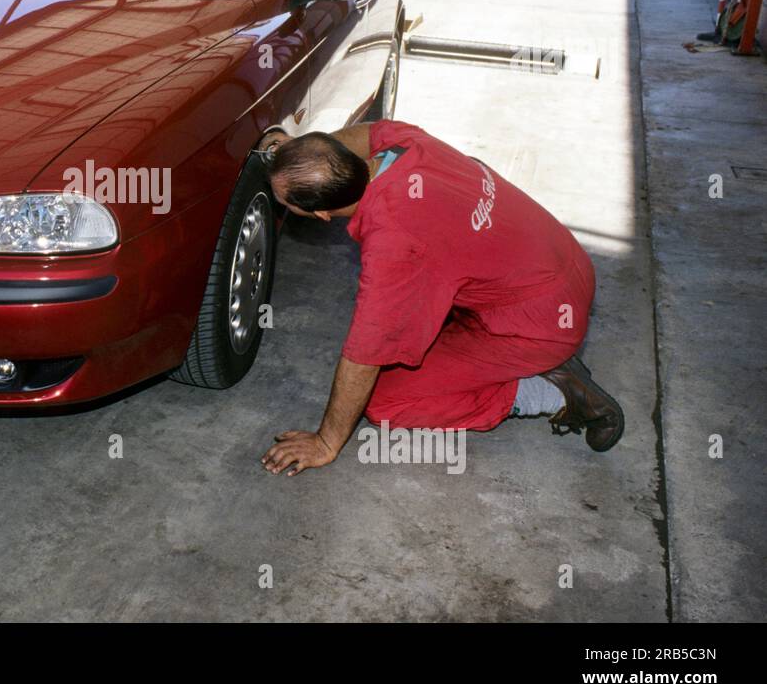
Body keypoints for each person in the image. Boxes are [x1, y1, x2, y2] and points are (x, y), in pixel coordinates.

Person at [256, 120, 626, 477]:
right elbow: (361, 137)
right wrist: (293, 155)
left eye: (286, 202)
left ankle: (553, 393)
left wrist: (327, 441)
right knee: (425, 311)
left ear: (320, 213)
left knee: (386, 401)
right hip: (564, 267)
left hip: (537, 326)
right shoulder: (405, 145)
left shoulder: (396, 245)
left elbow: (364, 356)